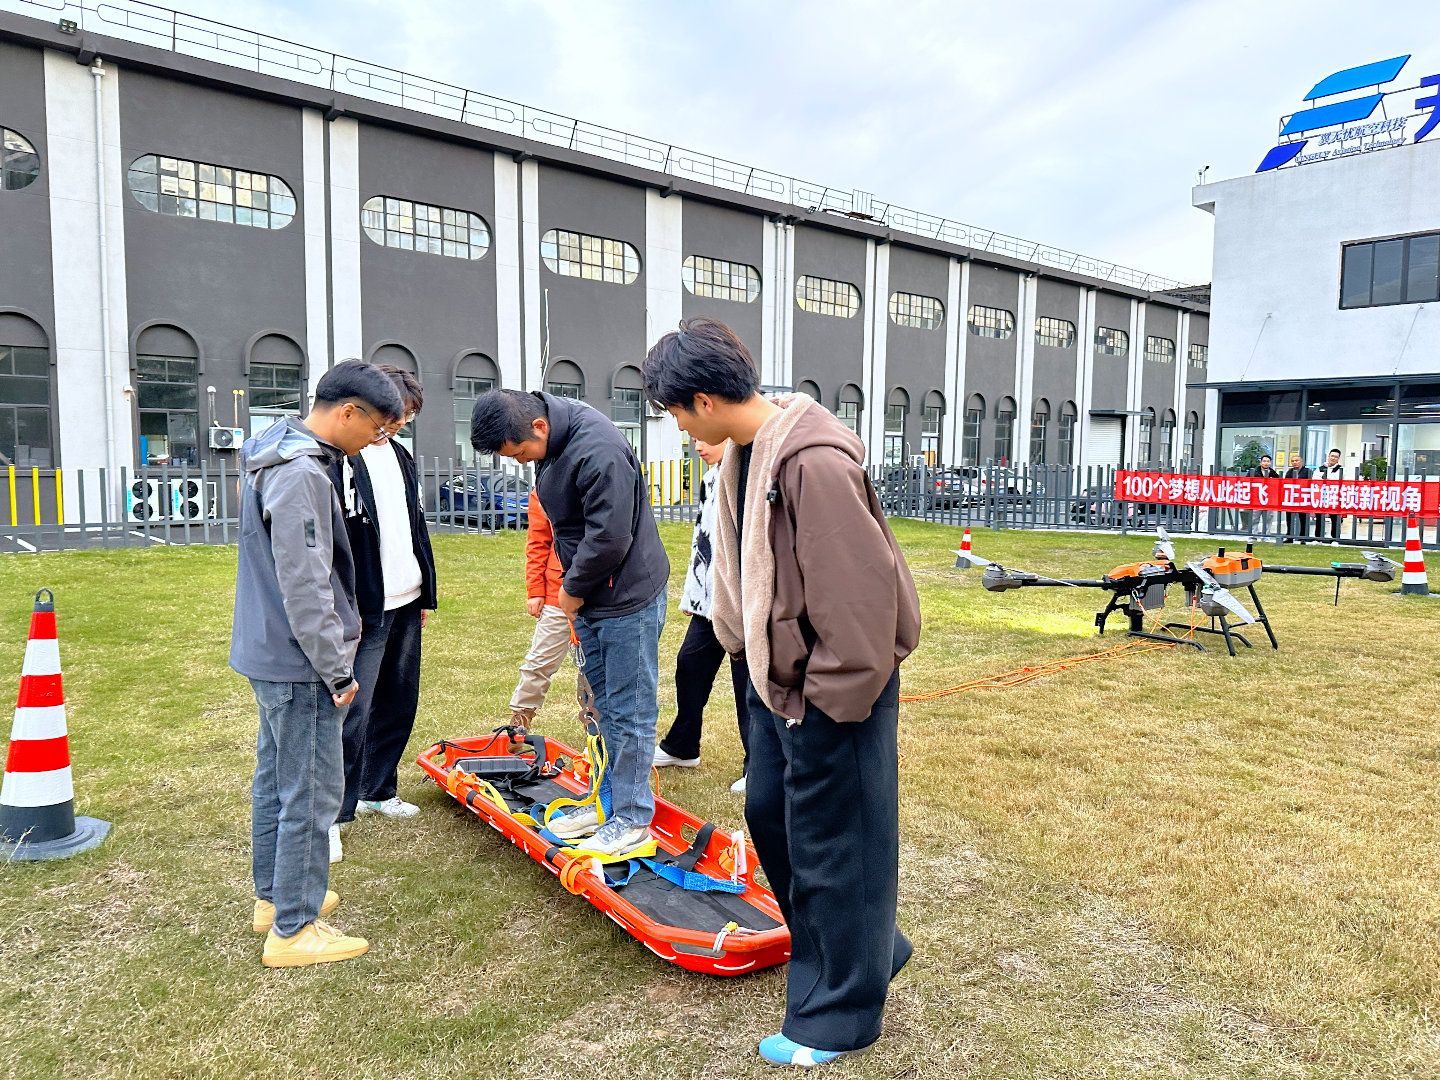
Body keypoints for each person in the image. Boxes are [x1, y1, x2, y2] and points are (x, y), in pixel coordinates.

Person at [641, 317, 920, 1067]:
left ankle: (836, 1016)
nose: (676, 426)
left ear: (702, 400)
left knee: (836, 848)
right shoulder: (744, 453)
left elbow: (861, 599)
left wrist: (831, 698)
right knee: (773, 819)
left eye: (674, 412)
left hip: (832, 691)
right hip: (778, 685)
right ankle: (869, 948)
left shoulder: (812, 460)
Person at [230, 360, 404, 968]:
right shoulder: (302, 472)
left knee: (278, 777)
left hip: (270, 650)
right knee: (311, 787)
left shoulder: (274, 452)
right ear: (348, 412)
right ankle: (294, 928)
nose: (377, 442)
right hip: (300, 660)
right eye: (379, 429)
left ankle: (275, 898)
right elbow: (305, 585)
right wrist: (337, 670)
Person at [470, 389, 670, 859]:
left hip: (626, 596)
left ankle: (633, 820)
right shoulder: (552, 439)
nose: (523, 463)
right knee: (601, 708)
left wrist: (571, 590)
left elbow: (610, 536)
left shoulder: (597, 449)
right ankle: (606, 806)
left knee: (630, 709)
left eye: (521, 454)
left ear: (538, 427)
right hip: (593, 595)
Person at [326, 365, 437, 863]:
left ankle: (378, 790)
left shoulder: (401, 456)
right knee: (352, 710)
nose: (393, 428)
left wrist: (423, 593)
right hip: (366, 606)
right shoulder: (339, 461)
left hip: (406, 599)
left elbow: (414, 526)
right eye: (390, 418)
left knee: (398, 699)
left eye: (404, 419)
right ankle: (332, 814)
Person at [652, 438, 751, 793]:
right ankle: (683, 746)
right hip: (710, 603)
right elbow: (703, 540)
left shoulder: (748, 476)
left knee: (747, 686)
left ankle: (758, 765)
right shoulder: (711, 479)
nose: (697, 446)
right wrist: (694, 595)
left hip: (742, 603)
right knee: (689, 666)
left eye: (704, 438)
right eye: (693, 440)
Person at [508, 490, 570, 729]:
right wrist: (535, 590)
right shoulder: (543, 492)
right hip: (557, 593)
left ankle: (596, 727)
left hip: (599, 593)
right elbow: (537, 542)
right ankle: (521, 718)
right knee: (540, 661)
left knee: (595, 668)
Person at [1313, 447, 1345, 540]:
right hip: (1321, 496)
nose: (1333, 458)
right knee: (1319, 517)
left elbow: (1336, 479)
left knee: (1335, 518)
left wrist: (1325, 478)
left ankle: (1335, 538)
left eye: (1335, 457)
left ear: (1338, 458)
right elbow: (1315, 478)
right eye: (1332, 456)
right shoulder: (1321, 468)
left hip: (1334, 496)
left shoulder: (1341, 469)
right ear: (1328, 456)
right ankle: (1318, 537)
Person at [1246, 453, 1280, 538]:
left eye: (1268, 461)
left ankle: (1266, 535)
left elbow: (1278, 485)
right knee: (1254, 517)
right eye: (1264, 461)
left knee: (1268, 518)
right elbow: (1246, 482)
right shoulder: (1253, 472)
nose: (1266, 463)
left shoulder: (1274, 473)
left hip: (1269, 499)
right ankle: (1253, 535)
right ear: (1260, 462)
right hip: (1256, 499)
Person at [1283, 452, 1312, 542]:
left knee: (1303, 518)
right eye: (1293, 461)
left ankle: (1303, 537)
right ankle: (1290, 536)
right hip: (1291, 498)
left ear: (1301, 461)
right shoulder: (1289, 472)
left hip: (1303, 498)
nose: (1295, 462)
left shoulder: (1307, 471)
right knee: (1289, 518)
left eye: (1296, 460)